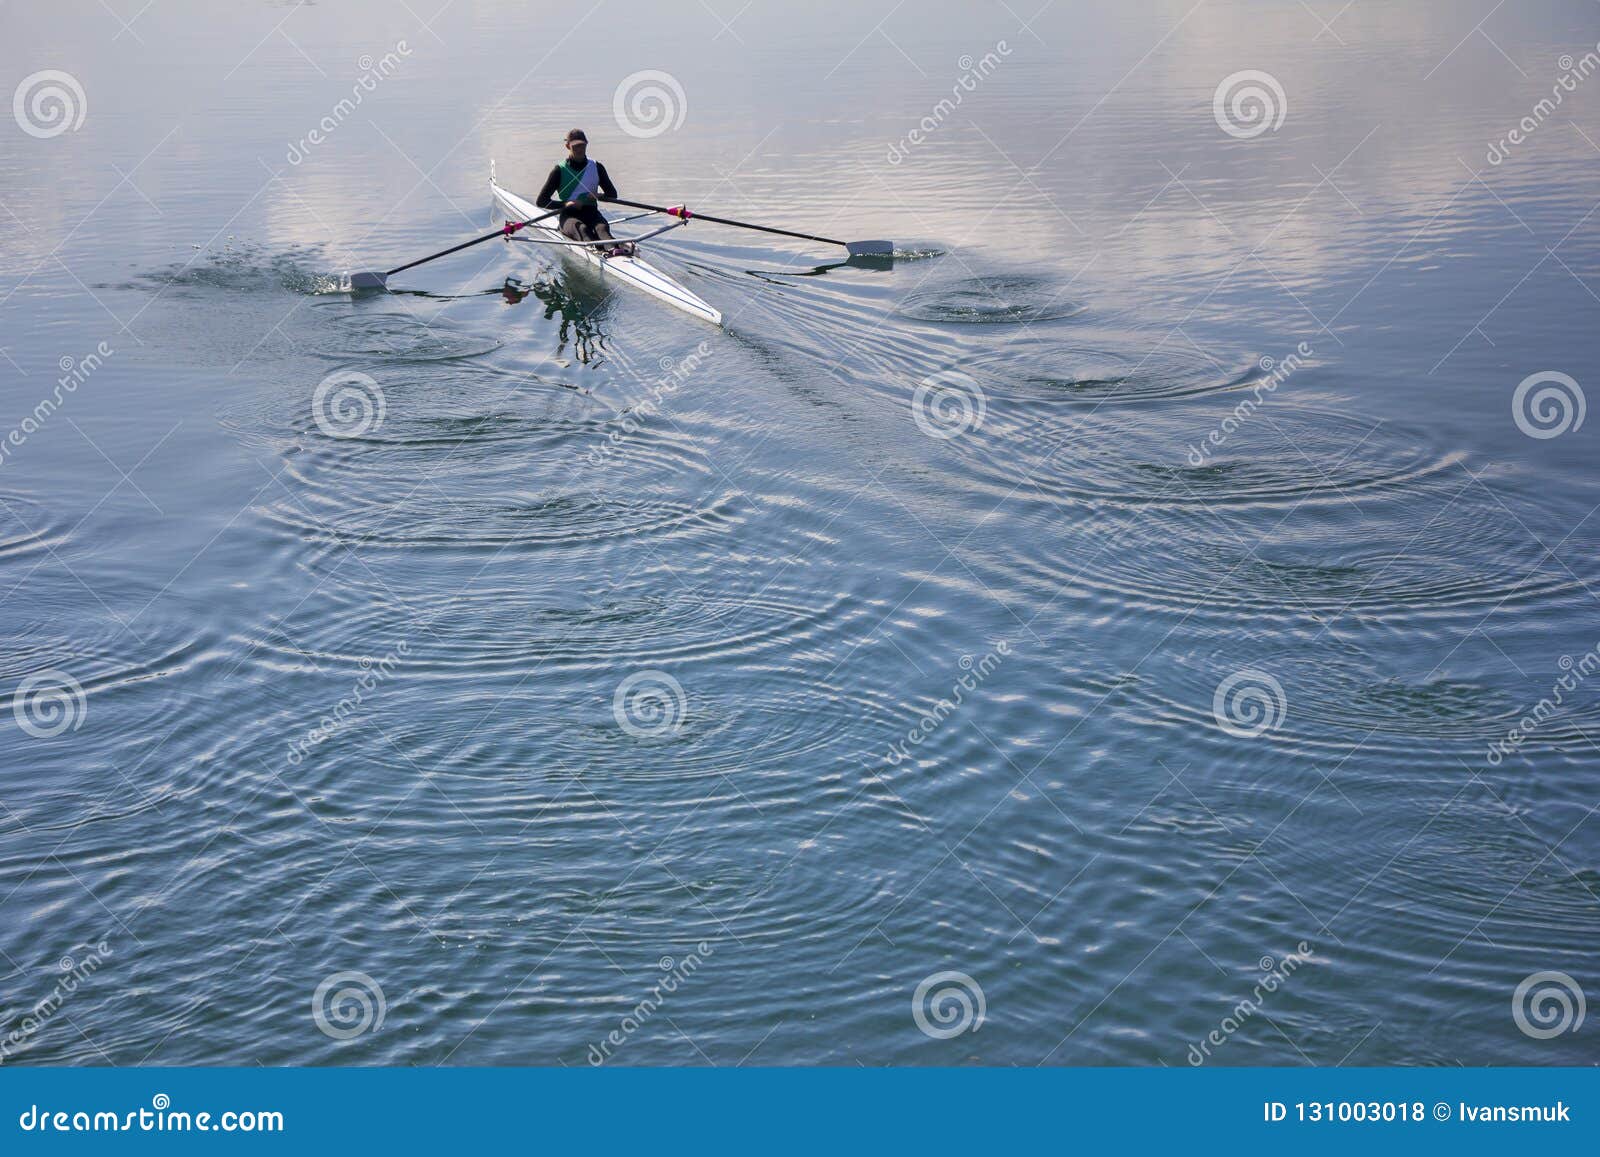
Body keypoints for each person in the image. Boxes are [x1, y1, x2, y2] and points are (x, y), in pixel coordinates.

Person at [534, 129, 635, 257]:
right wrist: (566, 204)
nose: (580, 149)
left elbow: (612, 194)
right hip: (569, 216)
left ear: (587, 144)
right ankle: (599, 252)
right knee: (582, 229)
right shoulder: (559, 170)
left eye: (582, 145)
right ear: (567, 146)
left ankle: (614, 250)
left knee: (602, 228)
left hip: (592, 213)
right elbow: (541, 201)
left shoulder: (597, 167)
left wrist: (599, 195)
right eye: (575, 146)